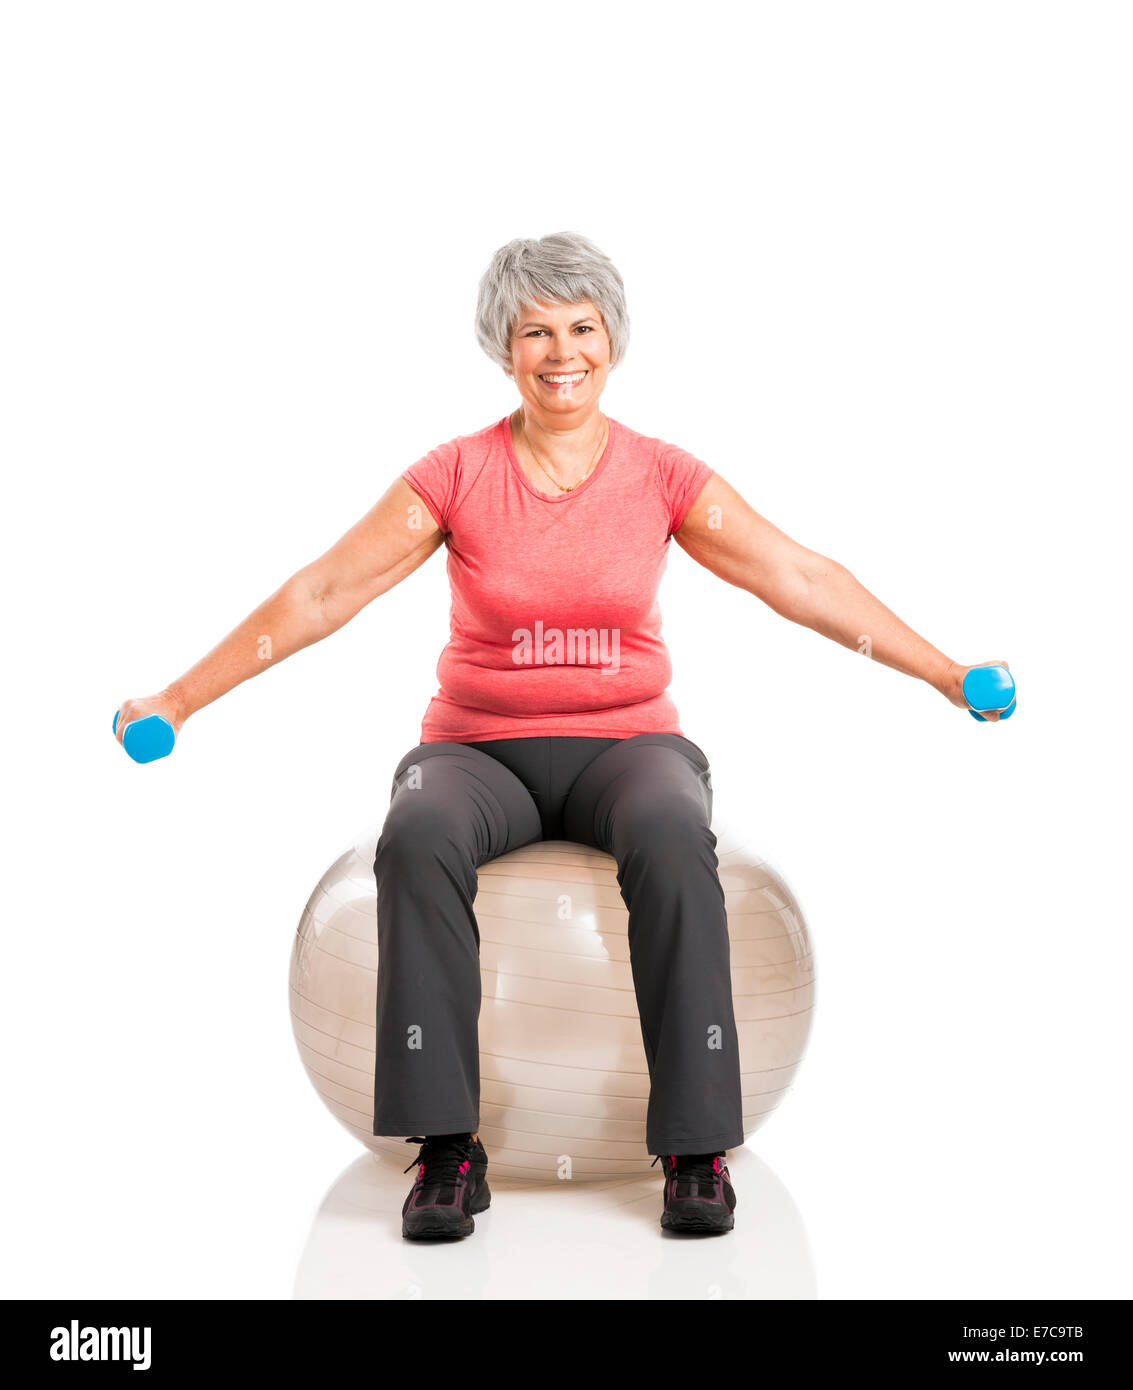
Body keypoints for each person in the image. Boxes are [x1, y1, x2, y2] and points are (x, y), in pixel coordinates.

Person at [114, 231, 1010, 1241]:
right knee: (415, 835)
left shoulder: (662, 475)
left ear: (611, 339)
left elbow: (797, 577)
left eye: (580, 326)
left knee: (674, 832)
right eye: (534, 329)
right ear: (503, 347)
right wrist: (177, 700)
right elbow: (323, 590)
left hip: (628, 748)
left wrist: (941, 673)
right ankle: (447, 1151)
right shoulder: (454, 474)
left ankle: (694, 1151)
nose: (560, 350)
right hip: (474, 751)